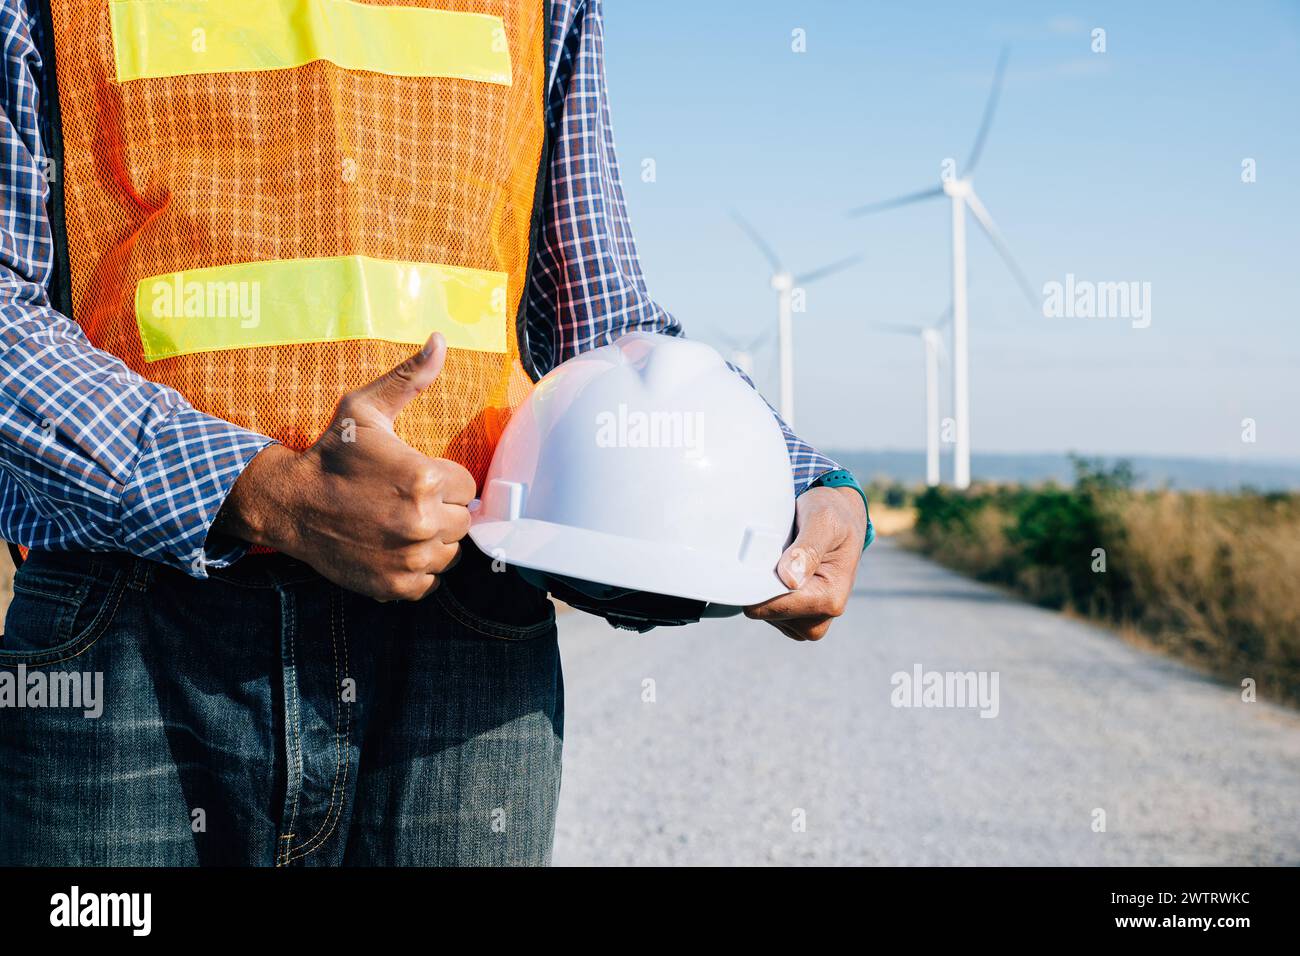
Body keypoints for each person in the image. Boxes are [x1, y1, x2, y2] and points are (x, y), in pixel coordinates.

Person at [0, 0, 868, 866]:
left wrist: (794, 487)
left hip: (461, 632)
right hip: (130, 630)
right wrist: (263, 491)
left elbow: (594, 319)